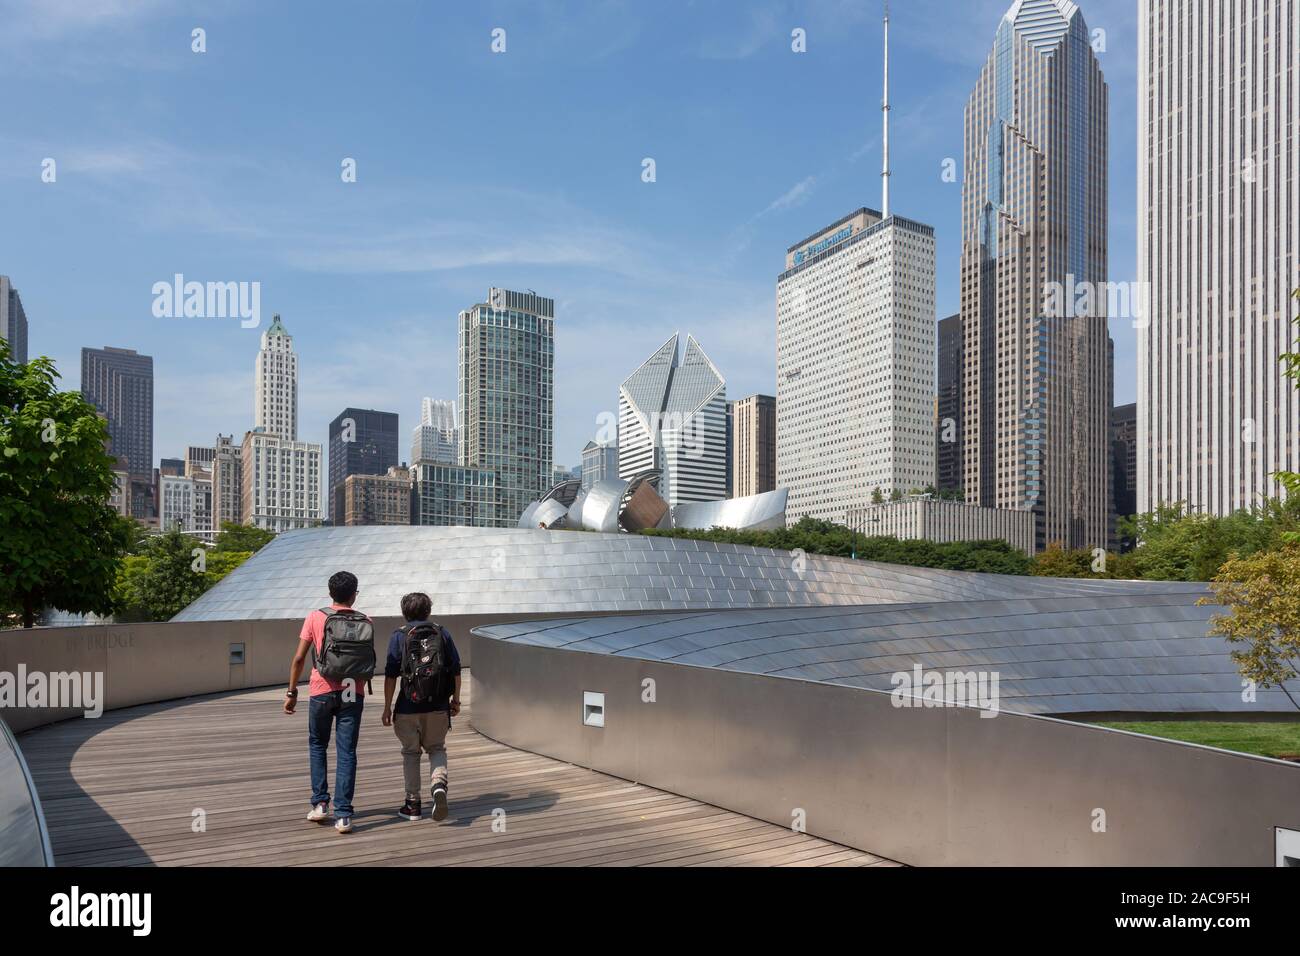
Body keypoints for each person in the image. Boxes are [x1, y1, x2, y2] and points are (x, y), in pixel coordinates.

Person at [284, 570, 375, 834]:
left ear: (330, 593)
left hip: (322, 689)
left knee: (317, 745)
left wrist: (292, 693)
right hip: (352, 691)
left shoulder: (315, 617)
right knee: (347, 752)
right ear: (354, 595)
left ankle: (321, 804)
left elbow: (299, 658)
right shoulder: (365, 620)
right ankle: (344, 815)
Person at [381, 592, 462, 822]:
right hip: (437, 706)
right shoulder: (442, 632)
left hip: (407, 706)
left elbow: (390, 675)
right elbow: (456, 670)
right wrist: (455, 700)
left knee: (411, 753)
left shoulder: (399, 635)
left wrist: (387, 707)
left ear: (404, 613)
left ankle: (412, 805)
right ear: (428, 611)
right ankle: (438, 784)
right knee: (436, 748)